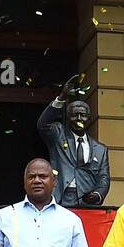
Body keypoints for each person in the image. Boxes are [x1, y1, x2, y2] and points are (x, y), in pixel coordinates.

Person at [38, 75, 110, 208]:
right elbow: (43, 124)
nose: (78, 118)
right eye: (74, 114)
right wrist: (61, 98)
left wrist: (98, 194)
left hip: (87, 202)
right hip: (60, 198)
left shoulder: (100, 149)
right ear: (68, 117)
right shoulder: (58, 135)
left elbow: (103, 178)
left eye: (82, 115)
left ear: (88, 118)